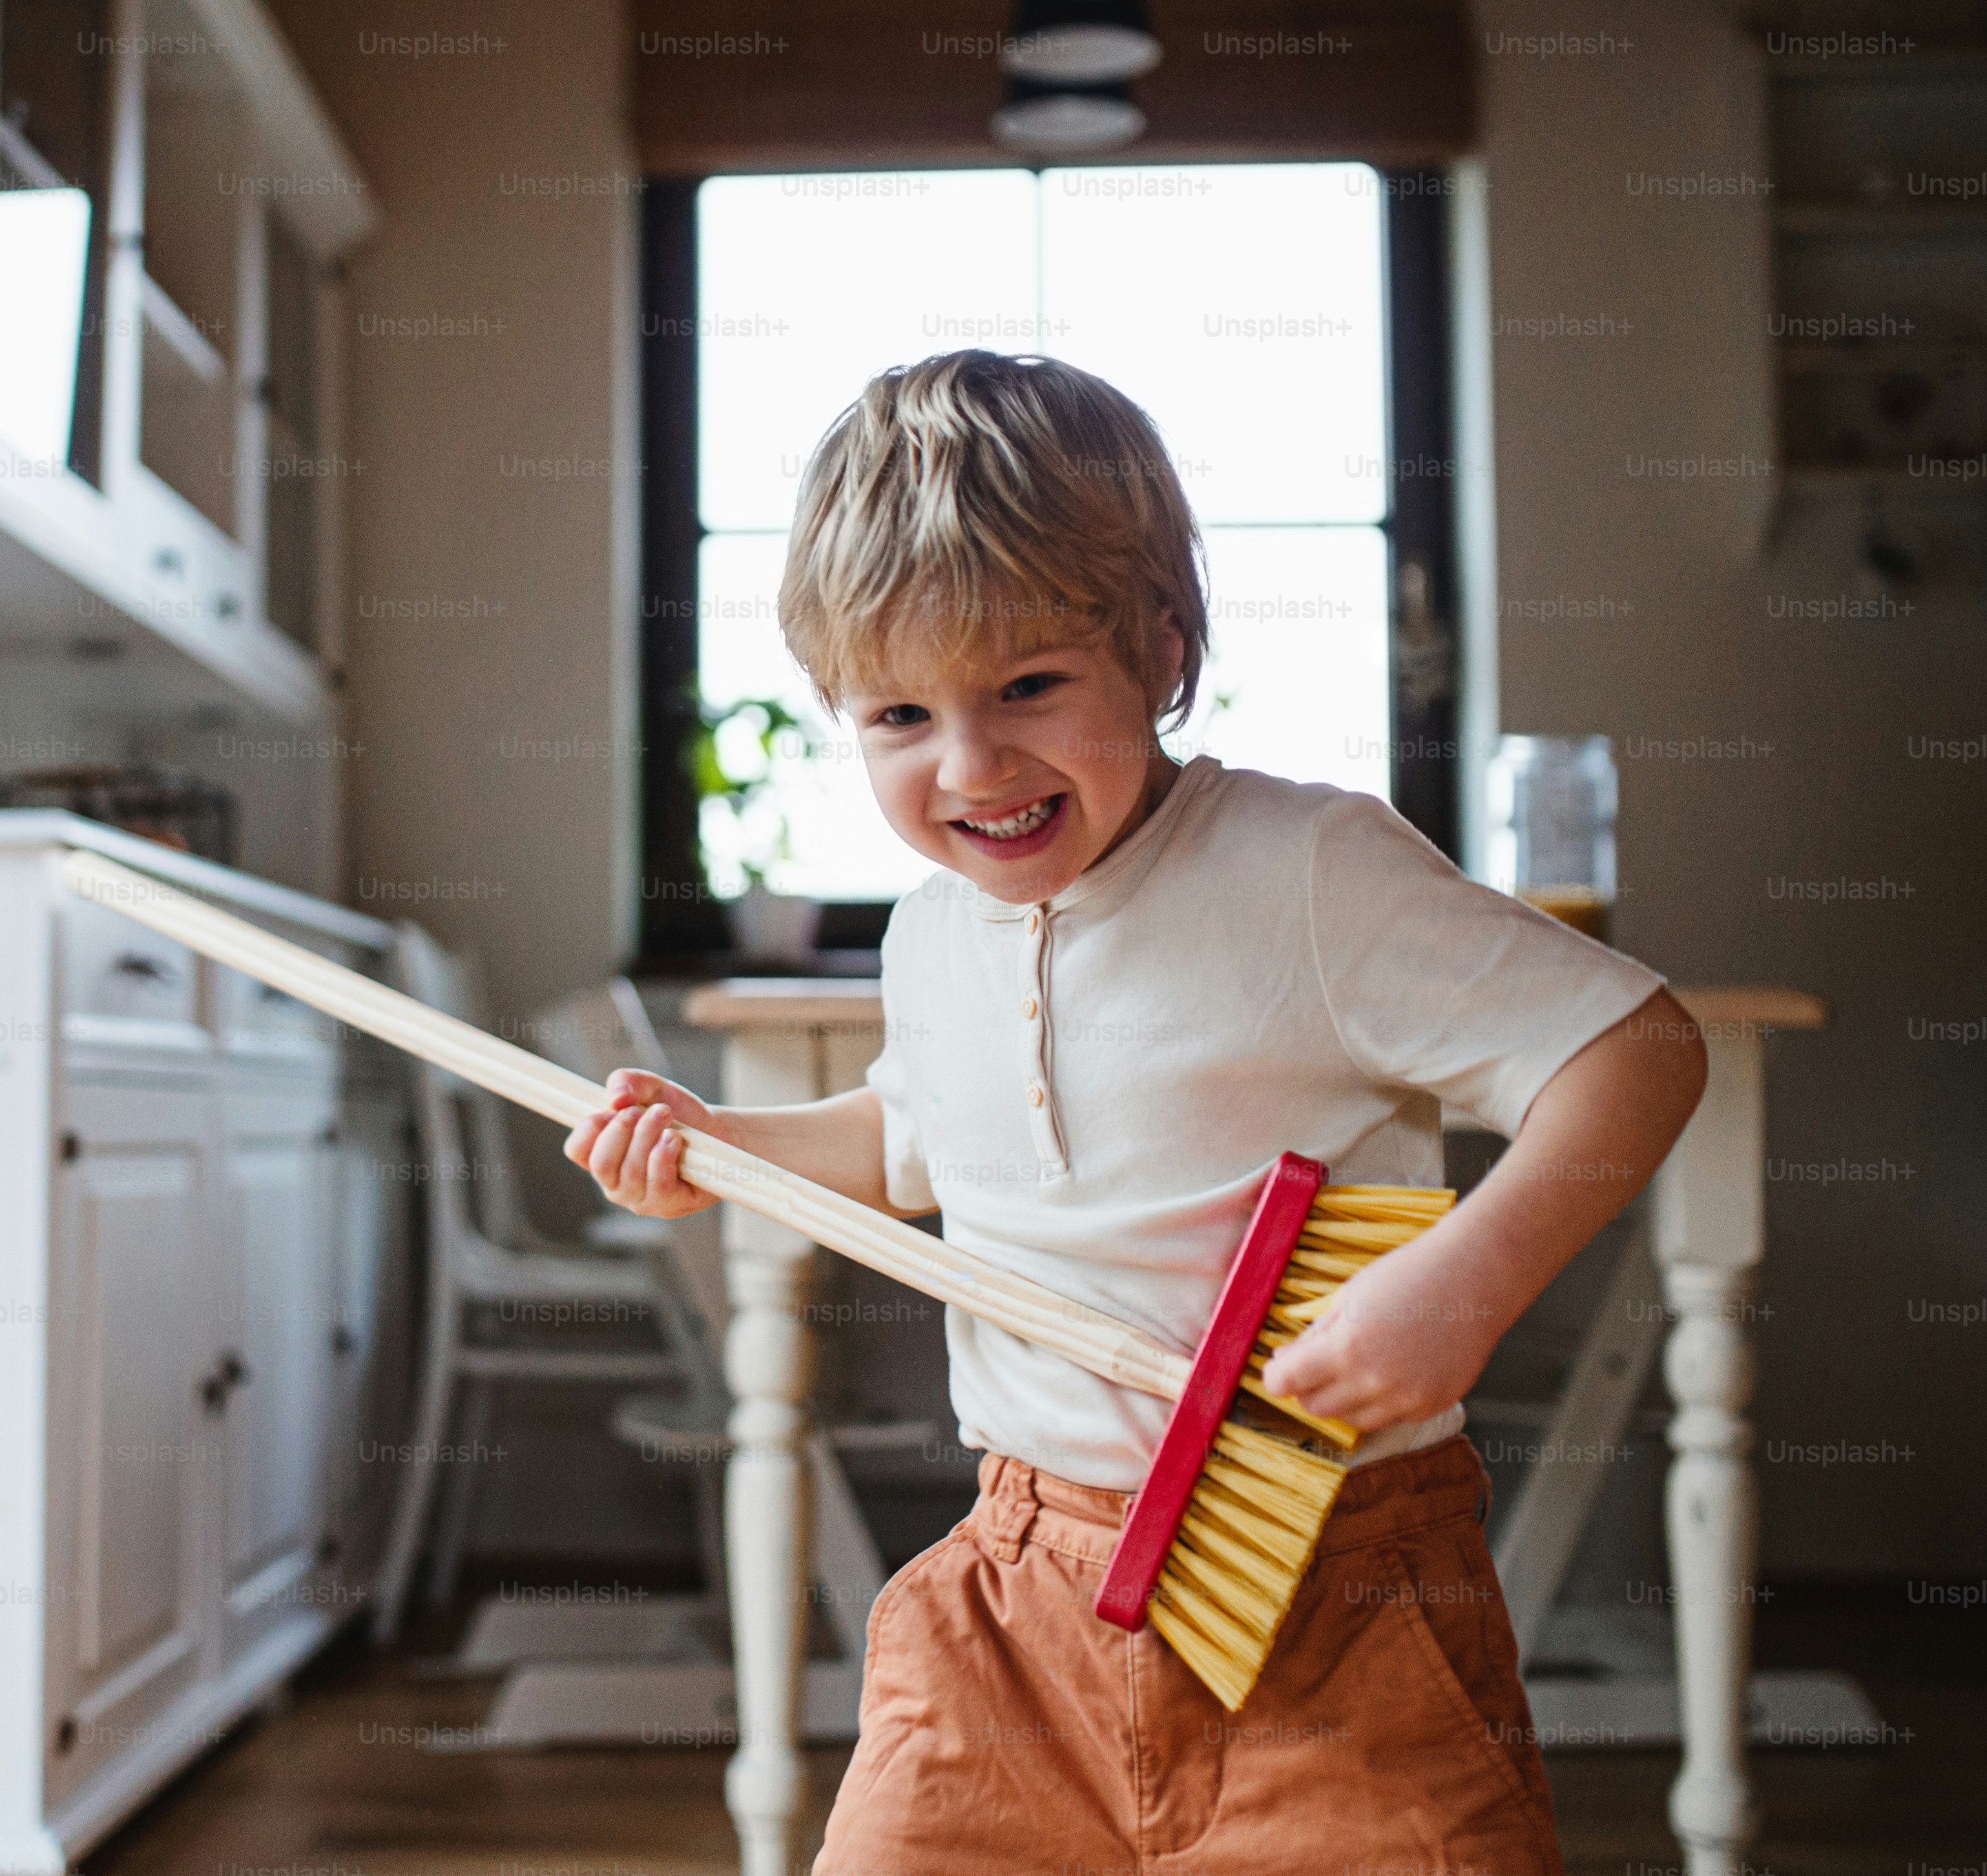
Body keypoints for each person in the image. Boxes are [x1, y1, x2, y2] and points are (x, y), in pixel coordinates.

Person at [566, 349, 1706, 1874]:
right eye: (899, 714)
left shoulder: (1310, 872)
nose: (971, 766)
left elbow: (1638, 1052)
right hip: (1016, 1600)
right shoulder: (929, 931)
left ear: (1159, 648)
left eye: (1027, 687)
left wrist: (1464, 1281)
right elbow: (908, 1145)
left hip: (1332, 1596)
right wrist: (711, 1146)